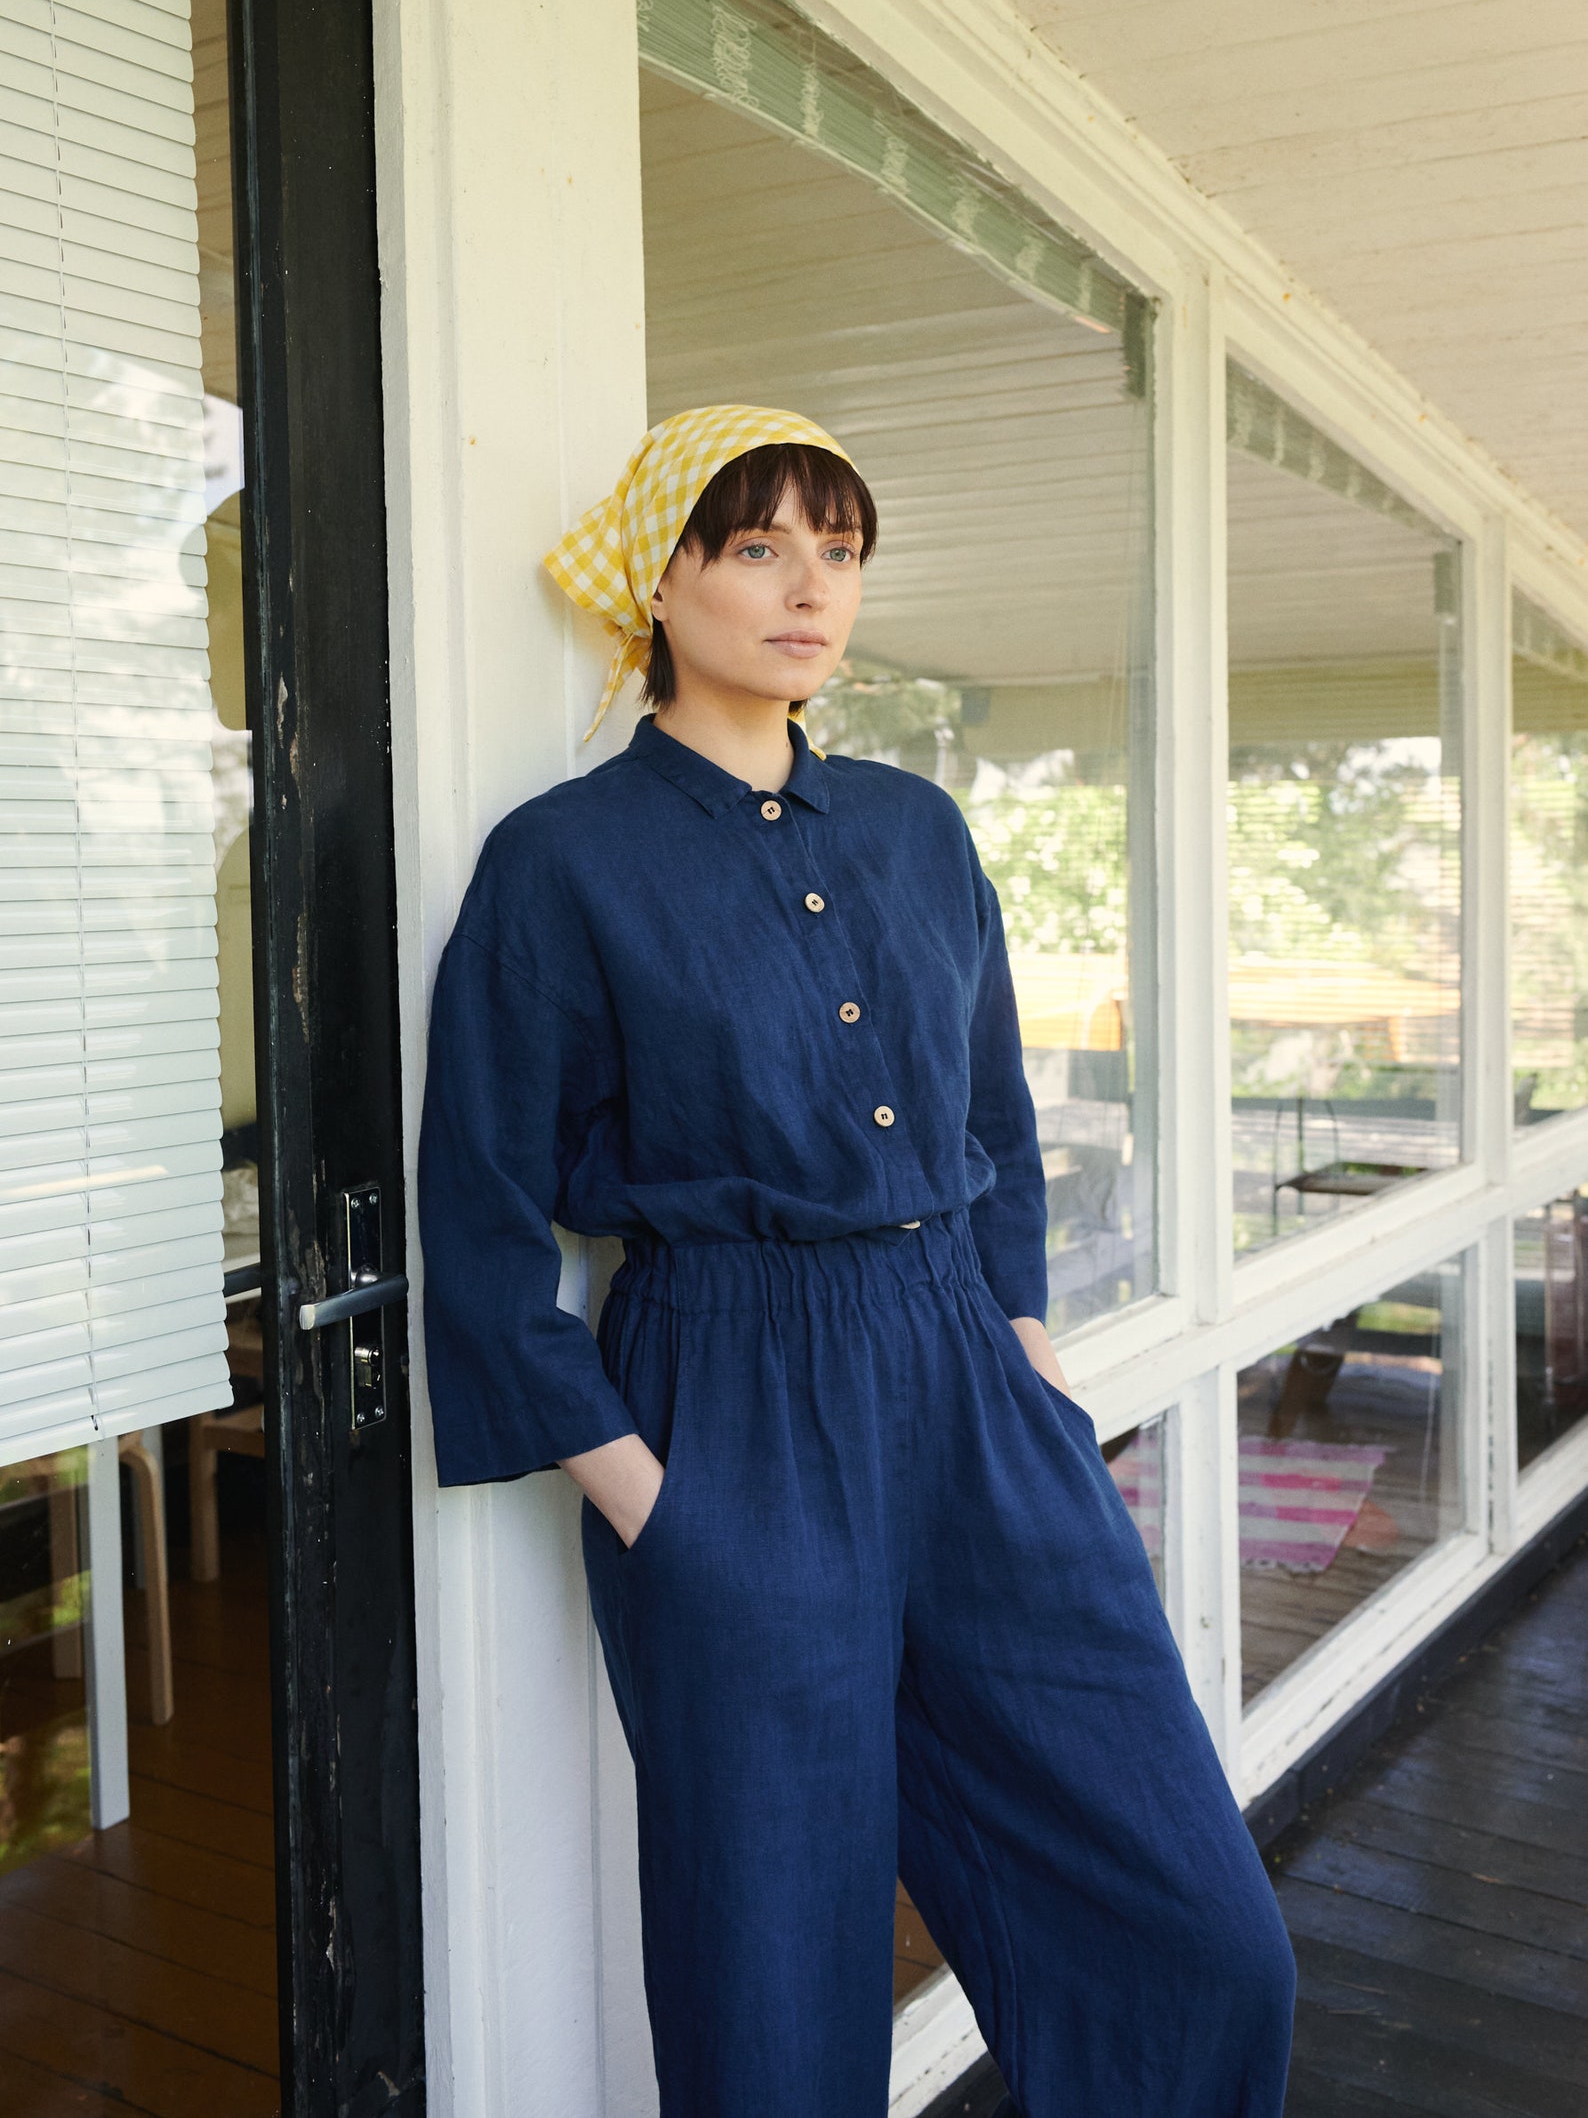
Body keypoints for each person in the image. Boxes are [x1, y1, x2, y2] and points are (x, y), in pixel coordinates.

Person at [418, 405, 1295, 2116]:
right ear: (659, 586)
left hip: (969, 1382)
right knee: (774, 1975)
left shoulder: (916, 830)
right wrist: (650, 1500)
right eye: (758, 546)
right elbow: (479, 1218)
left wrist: (1026, 1349)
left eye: (840, 548)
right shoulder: (563, 863)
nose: (809, 586)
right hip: (727, 1404)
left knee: (1197, 1935)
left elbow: (996, 1127)